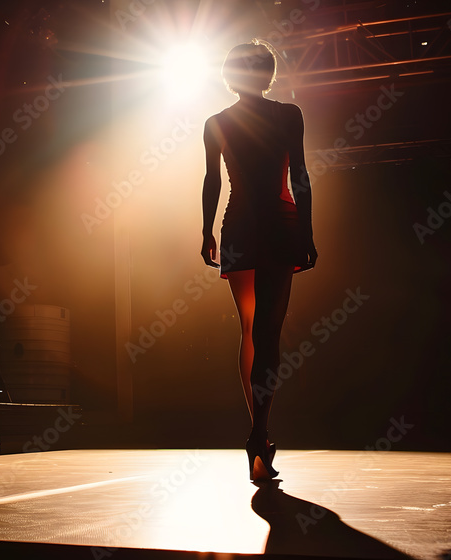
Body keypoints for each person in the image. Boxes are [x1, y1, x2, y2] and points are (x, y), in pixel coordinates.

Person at [200, 39, 318, 481]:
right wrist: (306, 231)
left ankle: (258, 433)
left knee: (249, 329)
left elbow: (213, 180)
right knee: (268, 331)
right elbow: (299, 175)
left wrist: (206, 230)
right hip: (278, 223)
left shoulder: (216, 122)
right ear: (267, 74)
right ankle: (259, 433)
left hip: (239, 225)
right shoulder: (289, 115)